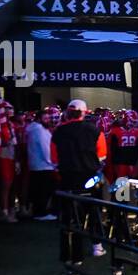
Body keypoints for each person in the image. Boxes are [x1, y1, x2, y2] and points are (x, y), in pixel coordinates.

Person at [49, 99, 108, 260]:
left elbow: (53, 159)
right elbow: (102, 156)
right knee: (93, 211)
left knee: (68, 215)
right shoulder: (95, 131)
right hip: (89, 178)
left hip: (67, 178)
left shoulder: (57, 132)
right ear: (84, 112)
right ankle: (97, 245)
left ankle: (71, 252)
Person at [26, 106, 59, 220]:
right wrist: (53, 163)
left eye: (48, 118)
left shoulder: (35, 129)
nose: (48, 121)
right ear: (39, 119)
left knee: (39, 190)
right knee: (43, 191)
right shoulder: (39, 130)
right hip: (43, 165)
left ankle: (39, 211)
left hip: (38, 165)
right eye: (45, 119)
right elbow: (46, 148)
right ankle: (41, 213)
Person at [105, 109, 138, 184]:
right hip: (120, 164)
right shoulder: (115, 132)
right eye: (132, 121)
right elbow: (110, 151)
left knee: (133, 185)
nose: (133, 124)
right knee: (122, 188)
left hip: (133, 163)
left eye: (135, 122)